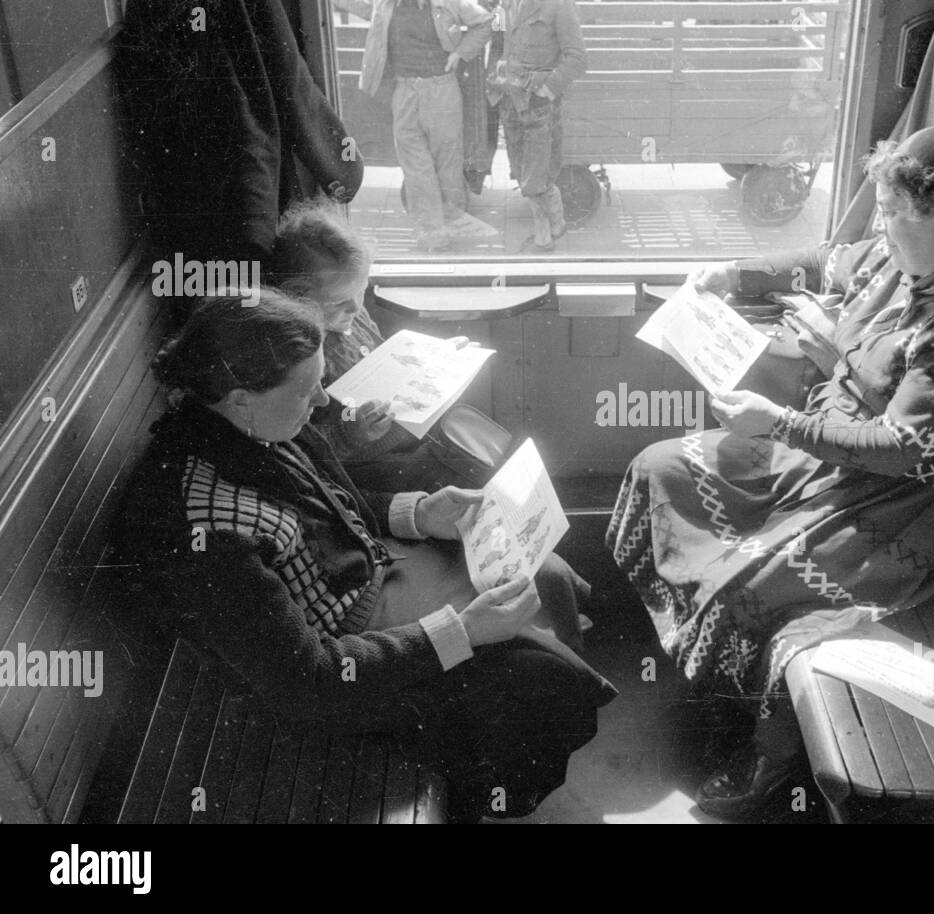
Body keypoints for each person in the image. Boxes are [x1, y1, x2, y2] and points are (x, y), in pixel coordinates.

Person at [606, 126, 934, 820]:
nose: (883, 225)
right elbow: (826, 260)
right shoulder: (904, 264)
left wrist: (777, 423)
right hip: (828, 450)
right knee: (662, 468)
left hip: (905, 500)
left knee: (759, 589)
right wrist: (735, 274)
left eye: (896, 214)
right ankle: (702, 673)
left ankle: (771, 762)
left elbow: (899, 445)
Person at [115, 291, 615, 821]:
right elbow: (307, 680)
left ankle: (527, 688)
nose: (324, 403)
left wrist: (420, 514)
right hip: (344, 663)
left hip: (365, 581)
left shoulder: (247, 428)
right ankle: (482, 794)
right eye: (309, 391)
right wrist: (463, 633)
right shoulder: (208, 528)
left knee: (545, 570)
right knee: (528, 673)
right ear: (241, 398)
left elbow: (326, 512)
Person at [267, 198, 592, 650]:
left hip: (402, 440)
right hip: (369, 469)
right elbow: (317, 454)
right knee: (491, 490)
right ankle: (551, 608)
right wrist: (353, 431)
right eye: (341, 305)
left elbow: (383, 363)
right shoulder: (297, 358)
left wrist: (432, 367)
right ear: (297, 300)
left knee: (507, 469)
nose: (354, 311)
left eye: (362, 295)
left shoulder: (350, 318)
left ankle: (558, 602)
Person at [359, 0, 493, 252]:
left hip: (442, 90)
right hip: (404, 91)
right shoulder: (385, 4)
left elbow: (485, 22)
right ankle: (433, 236)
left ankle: (453, 228)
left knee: (447, 165)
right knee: (416, 169)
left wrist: (459, 53)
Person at [488, 0, 586, 253]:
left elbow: (577, 59)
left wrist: (547, 88)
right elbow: (499, 40)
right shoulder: (506, 3)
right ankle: (549, 231)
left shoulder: (560, 5)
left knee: (535, 176)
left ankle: (548, 230)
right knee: (522, 172)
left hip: (538, 105)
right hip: (510, 100)